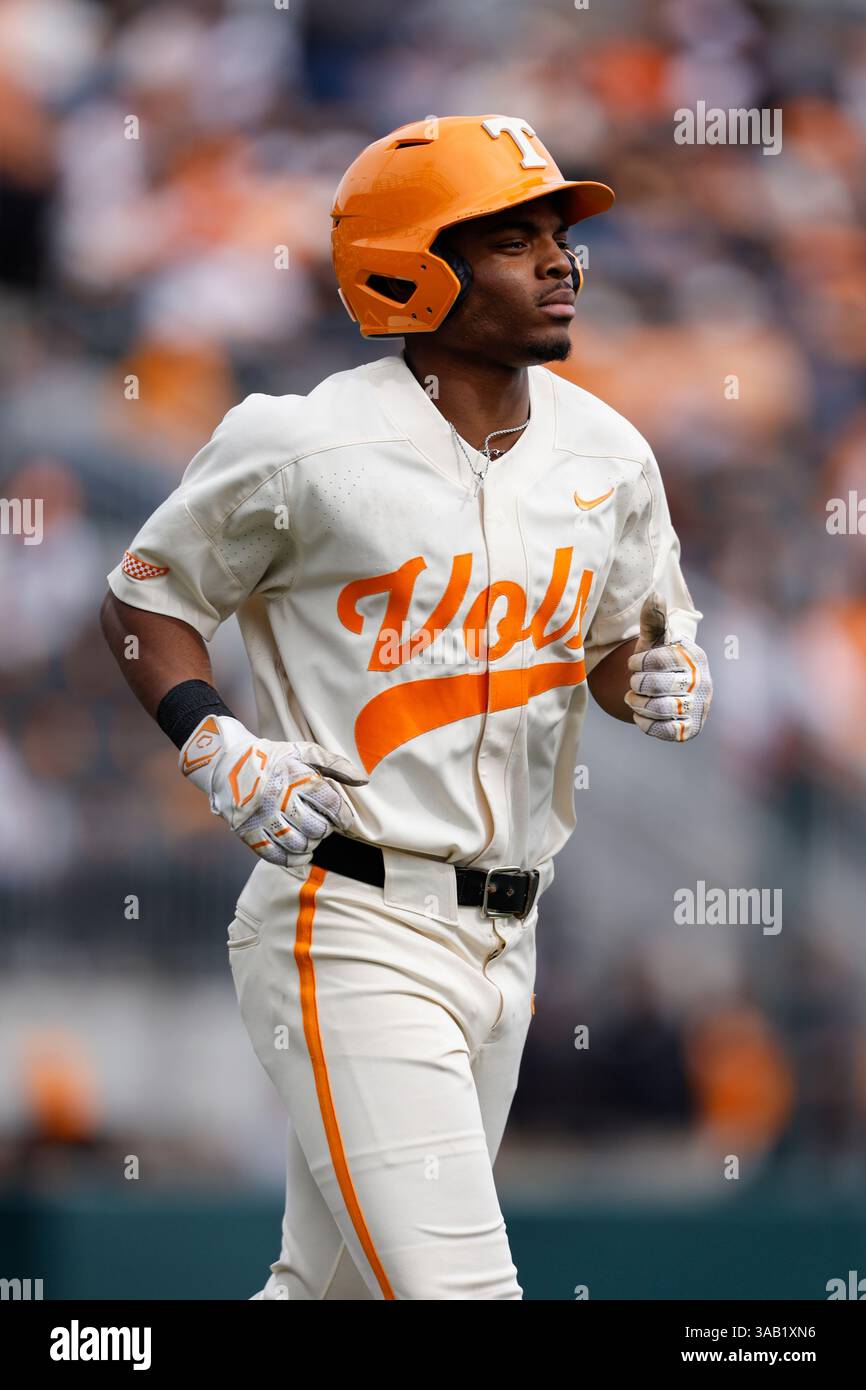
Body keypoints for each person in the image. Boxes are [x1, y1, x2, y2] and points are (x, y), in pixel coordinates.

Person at [100, 114, 712, 1300]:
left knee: (326, 1291)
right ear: (408, 269)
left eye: (557, 236)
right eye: (510, 238)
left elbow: (614, 649)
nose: (556, 262)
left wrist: (650, 679)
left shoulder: (610, 454)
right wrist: (211, 737)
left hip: (507, 937)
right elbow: (141, 601)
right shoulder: (300, 442)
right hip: (346, 917)